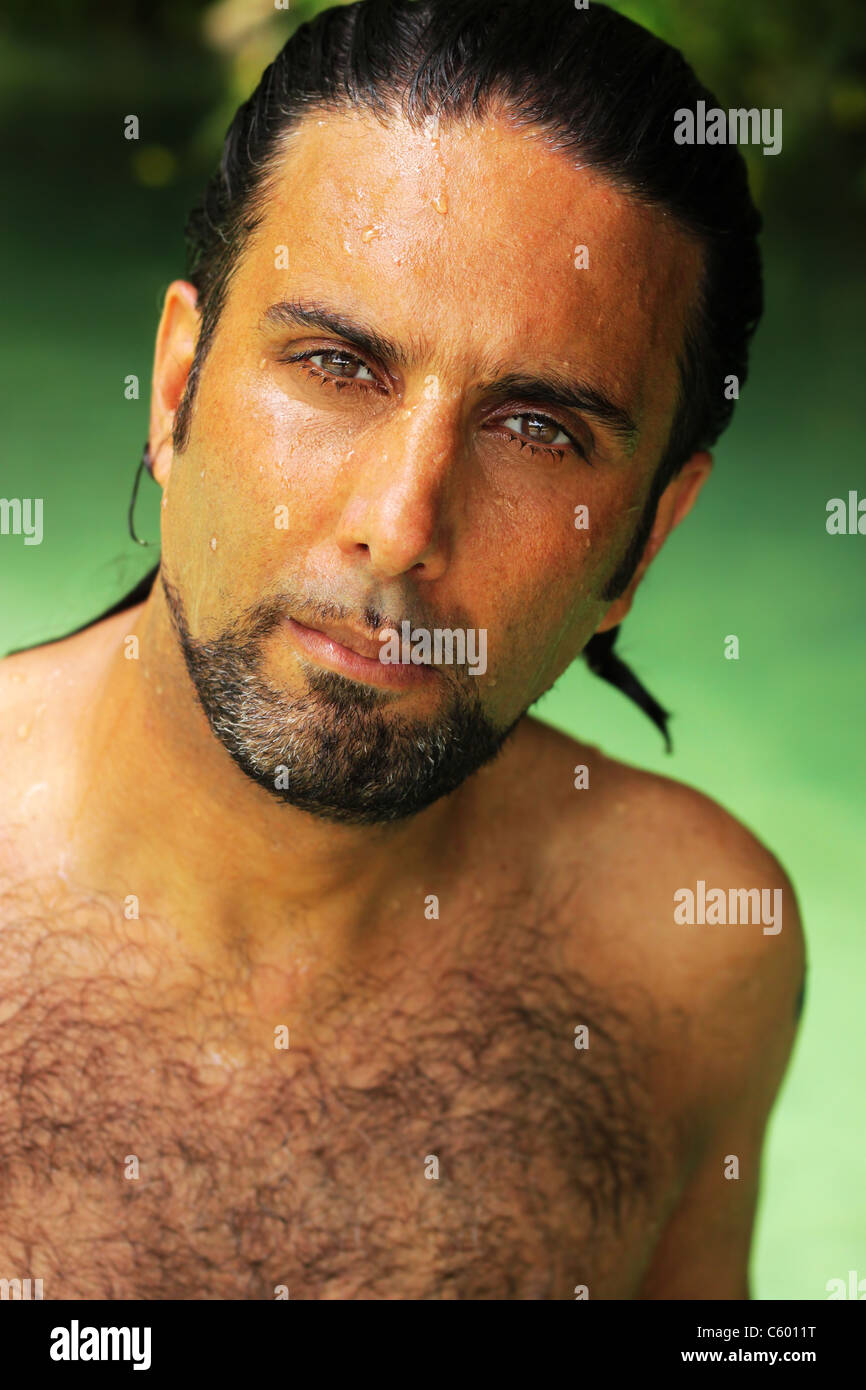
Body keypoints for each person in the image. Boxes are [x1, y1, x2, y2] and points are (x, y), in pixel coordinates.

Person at [0, 0, 804, 1299]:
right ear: (174, 388)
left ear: (645, 541)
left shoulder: (691, 951)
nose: (397, 526)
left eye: (536, 429)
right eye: (333, 363)